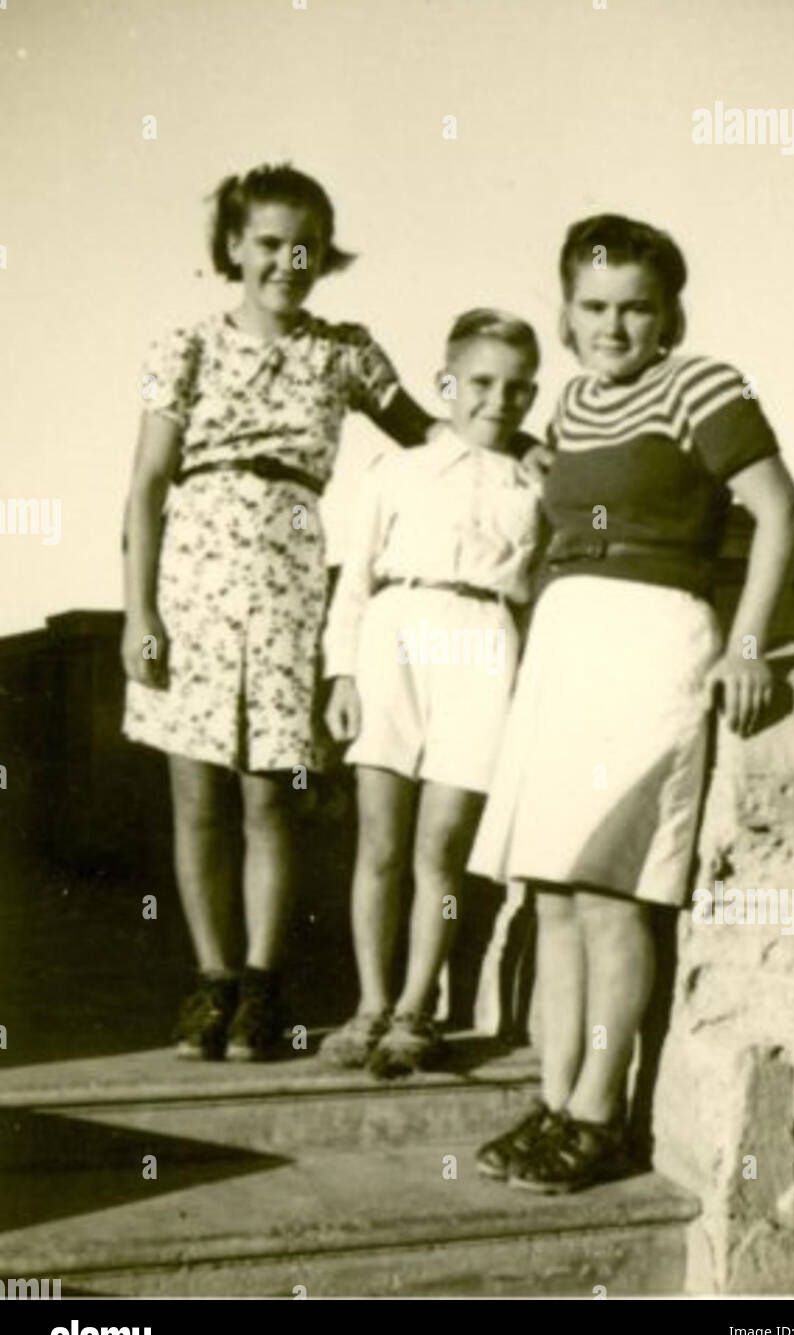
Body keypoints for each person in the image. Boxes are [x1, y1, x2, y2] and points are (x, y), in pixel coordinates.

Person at [469, 214, 794, 1192]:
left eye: (635, 308)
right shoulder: (571, 405)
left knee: (611, 893)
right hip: (567, 643)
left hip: (654, 640)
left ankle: (599, 1114)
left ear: (668, 316)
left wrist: (746, 646)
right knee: (555, 892)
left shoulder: (704, 384)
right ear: (565, 315)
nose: (613, 326)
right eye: (593, 306)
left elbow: (780, 511)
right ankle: (555, 1099)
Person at [121, 163, 441, 1062]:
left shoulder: (344, 352)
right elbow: (146, 485)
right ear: (234, 246)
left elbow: (429, 436)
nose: (287, 263)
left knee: (270, 797)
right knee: (196, 796)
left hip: (288, 576)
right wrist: (139, 612)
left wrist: (526, 450)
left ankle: (262, 987)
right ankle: (212, 981)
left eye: (306, 248)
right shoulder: (183, 347)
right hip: (193, 580)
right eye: (268, 243)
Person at [319, 309, 546, 1077]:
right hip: (395, 637)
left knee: (442, 847)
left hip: (483, 643)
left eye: (517, 388)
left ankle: (417, 1008)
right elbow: (354, 581)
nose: (498, 400)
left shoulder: (536, 485)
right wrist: (343, 674)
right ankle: (370, 1003)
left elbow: (538, 591)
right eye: (480, 382)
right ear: (447, 384)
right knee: (379, 842)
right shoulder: (397, 471)